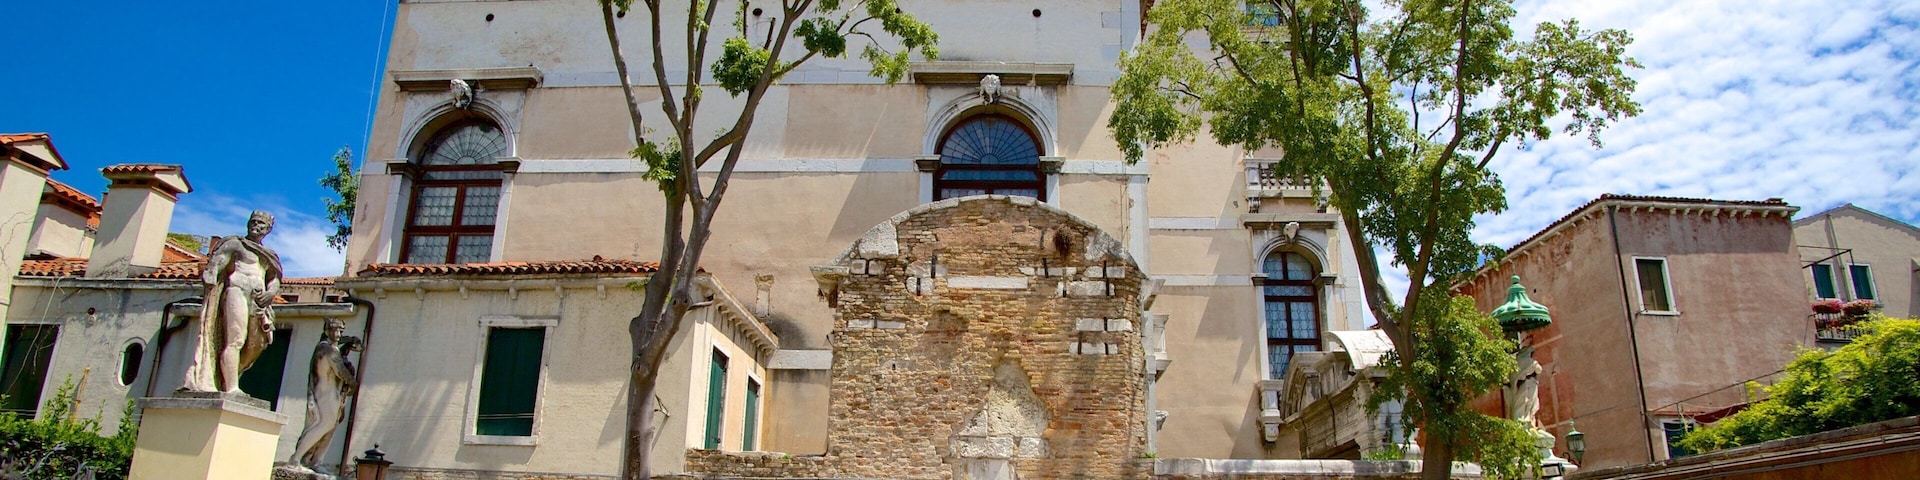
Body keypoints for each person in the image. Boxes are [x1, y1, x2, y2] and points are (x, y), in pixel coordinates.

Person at [185, 210, 283, 393]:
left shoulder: (269, 254)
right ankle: (231, 388)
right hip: (237, 291)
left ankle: (229, 375)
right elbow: (217, 263)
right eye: (253, 221)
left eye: (261, 224)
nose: (256, 225)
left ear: (269, 229)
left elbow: (274, 277)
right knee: (236, 340)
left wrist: (271, 293)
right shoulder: (236, 244)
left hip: (259, 301)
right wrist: (211, 273)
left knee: (257, 344)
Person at [291, 318, 361, 472]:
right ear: (326, 331)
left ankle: (315, 461)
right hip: (324, 395)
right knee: (323, 425)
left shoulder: (332, 348)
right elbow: (341, 372)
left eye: (340, 331)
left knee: (330, 427)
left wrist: (349, 342)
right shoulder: (327, 349)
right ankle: (296, 458)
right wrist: (354, 385)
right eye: (334, 330)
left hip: (333, 395)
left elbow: (359, 348)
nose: (337, 334)